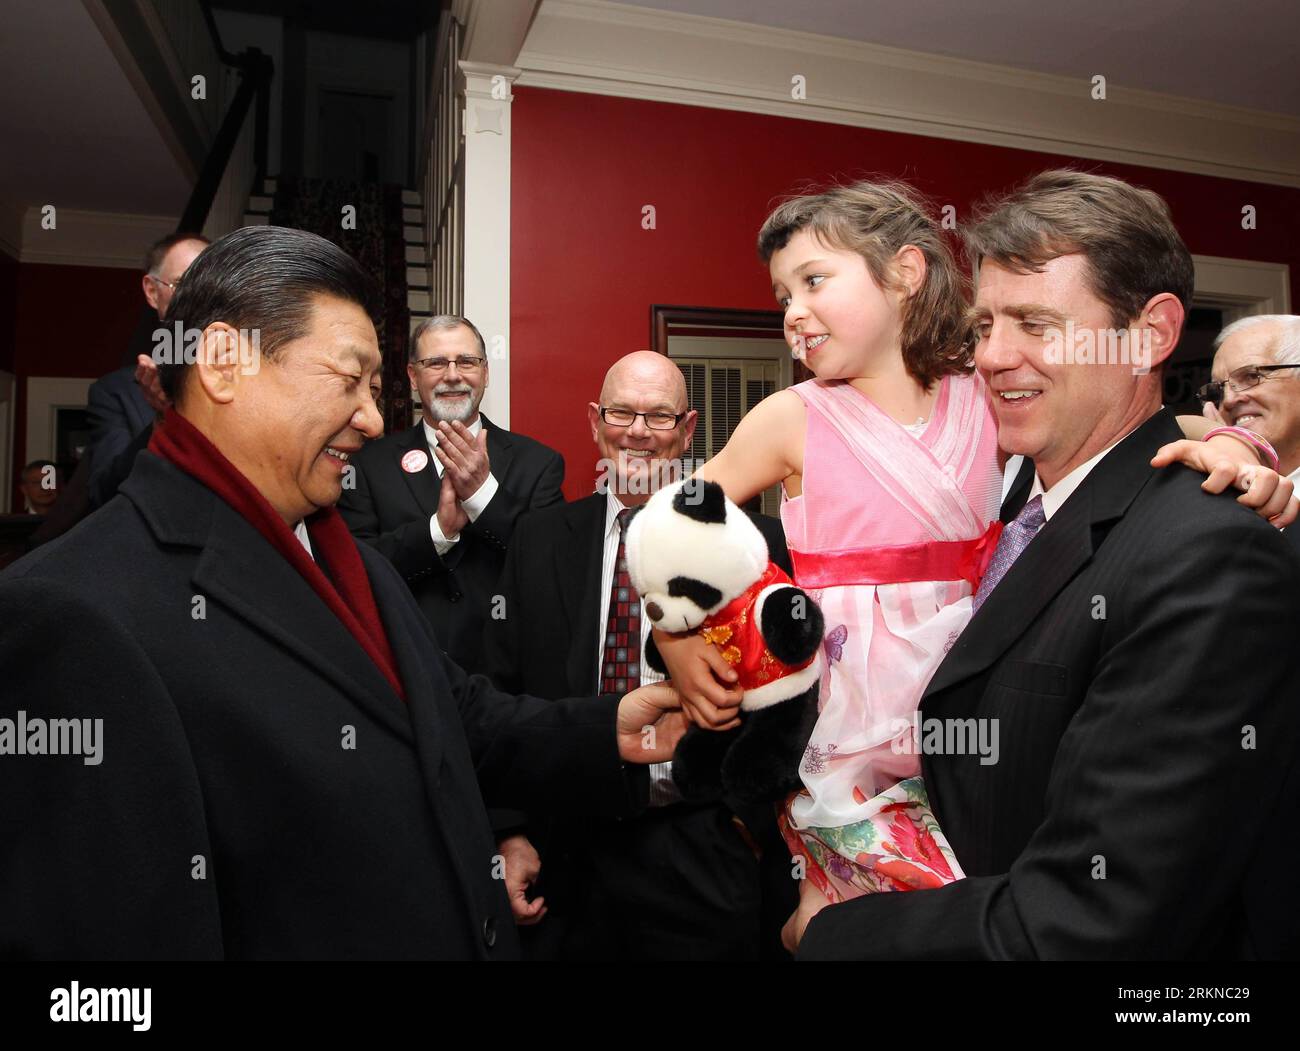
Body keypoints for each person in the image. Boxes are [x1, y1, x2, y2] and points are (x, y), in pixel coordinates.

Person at [0, 226, 685, 960]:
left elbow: (453, 715)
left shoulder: (350, 560)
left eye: (377, 389)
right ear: (225, 365)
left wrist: (606, 725)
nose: (371, 418)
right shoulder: (73, 610)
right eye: (349, 379)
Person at [652, 178, 1294, 907]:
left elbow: (1158, 433)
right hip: (847, 703)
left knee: (950, 886)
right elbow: (672, 523)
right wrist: (676, 632)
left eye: (815, 280)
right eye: (783, 296)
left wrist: (1235, 445)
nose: (795, 312)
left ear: (905, 272)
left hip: (960, 697)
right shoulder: (788, 417)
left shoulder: (985, 401)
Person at [482, 350, 795, 959]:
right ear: (596, 422)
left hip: (703, 845)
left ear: (687, 430)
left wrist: (745, 824)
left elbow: (788, 694)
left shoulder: (754, 542)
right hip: (566, 850)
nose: (638, 432)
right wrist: (511, 830)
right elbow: (499, 688)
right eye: (622, 412)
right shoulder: (539, 540)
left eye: (658, 417)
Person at [338, 316, 564, 674]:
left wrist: (482, 495)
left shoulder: (538, 463)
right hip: (403, 672)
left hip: (507, 681)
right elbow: (354, 569)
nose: (453, 375)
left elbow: (549, 564)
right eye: (437, 363)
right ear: (413, 377)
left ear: (485, 373)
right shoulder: (366, 466)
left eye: (467, 362)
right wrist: (438, 532)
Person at [84, 232, 209, 510]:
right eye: (183, 284)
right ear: (153, 292)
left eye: (210, 285)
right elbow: (104, 492)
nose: (200, 299)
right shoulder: (116, 392)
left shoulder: (250, 376)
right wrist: (165, 420)